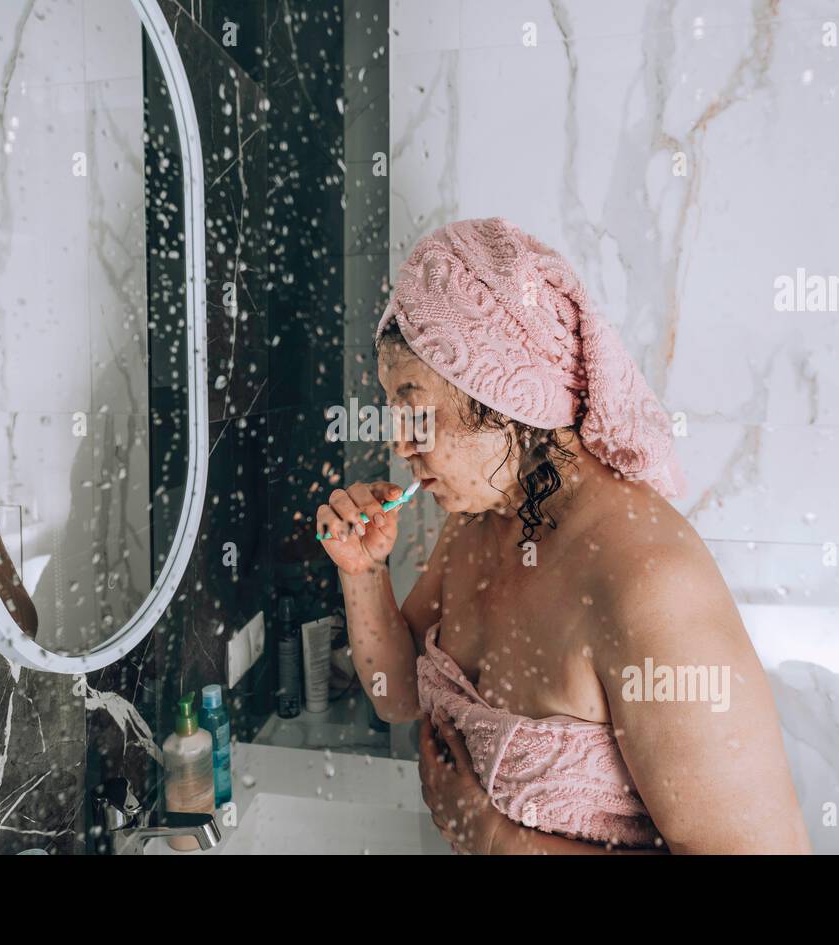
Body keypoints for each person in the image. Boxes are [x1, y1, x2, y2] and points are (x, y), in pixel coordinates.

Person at [317, 217, 810, 854]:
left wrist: (491, 836)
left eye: (414, 404)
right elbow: (399, 695)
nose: (399, 441)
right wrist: (362, 572)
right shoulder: (478, 521)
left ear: (498, 390)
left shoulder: (648, 583)